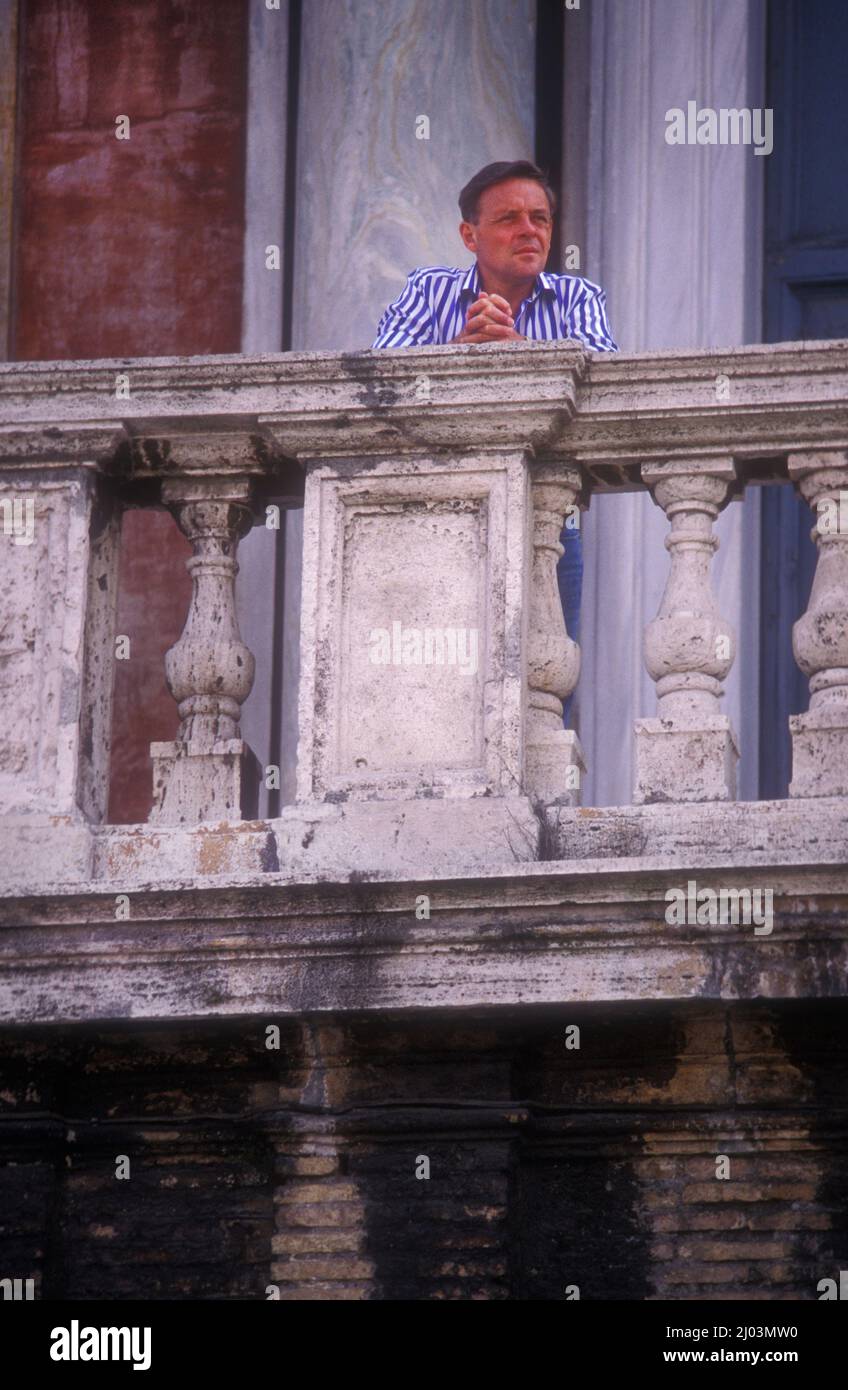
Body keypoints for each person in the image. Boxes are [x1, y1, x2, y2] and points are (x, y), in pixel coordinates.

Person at [371, 160, 619, 721]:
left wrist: (520, 352)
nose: (529, 230)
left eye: (541, 218)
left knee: (545, 684)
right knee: (431, 683)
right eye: (509, 218)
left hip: (550, 528)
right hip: (434, 524)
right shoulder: (428, 290)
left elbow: (604, 404)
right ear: (470, 235)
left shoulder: (580, 299)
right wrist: (462, 351)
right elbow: (380, 388)